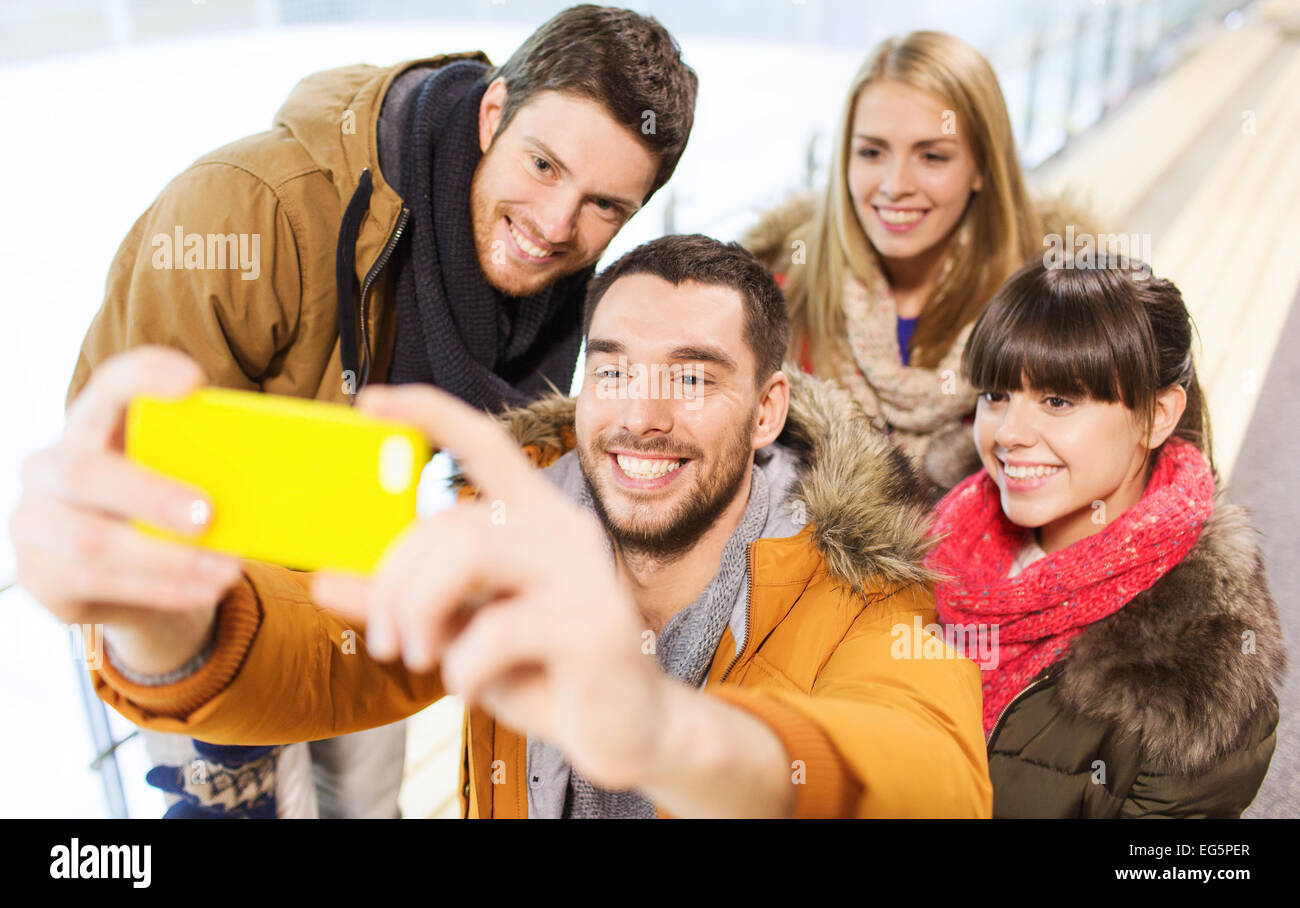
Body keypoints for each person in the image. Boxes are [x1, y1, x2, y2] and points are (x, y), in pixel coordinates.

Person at [15, 234, 992, 818]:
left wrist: (667, 733)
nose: (641, 414)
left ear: (769, 408)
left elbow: (934, 780)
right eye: (611, 369)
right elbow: (324, 646)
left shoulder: (863, 586)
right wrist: (160, 613)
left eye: (693, 376)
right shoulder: (523, 527)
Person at [58, 4, 699, 817]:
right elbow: (124, 452)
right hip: (212, 607)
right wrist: (225, 720)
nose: (556, 224)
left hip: (371, 586)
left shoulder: (557, 300)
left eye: (606, 206)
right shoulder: (250, 208)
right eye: (542, 165)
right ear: (494, 112)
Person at [925, 255, 1286, 817]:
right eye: (996, 395)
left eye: (1058, 400)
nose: (1009, 434)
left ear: (1157, 416)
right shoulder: (923, 543)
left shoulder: (1200, 675)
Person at [742, 30, 1091, 497]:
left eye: (932, 156)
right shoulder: (770, 300)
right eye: (871, 152)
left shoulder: (1060, 315)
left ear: (982, 168)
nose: (894, 185)